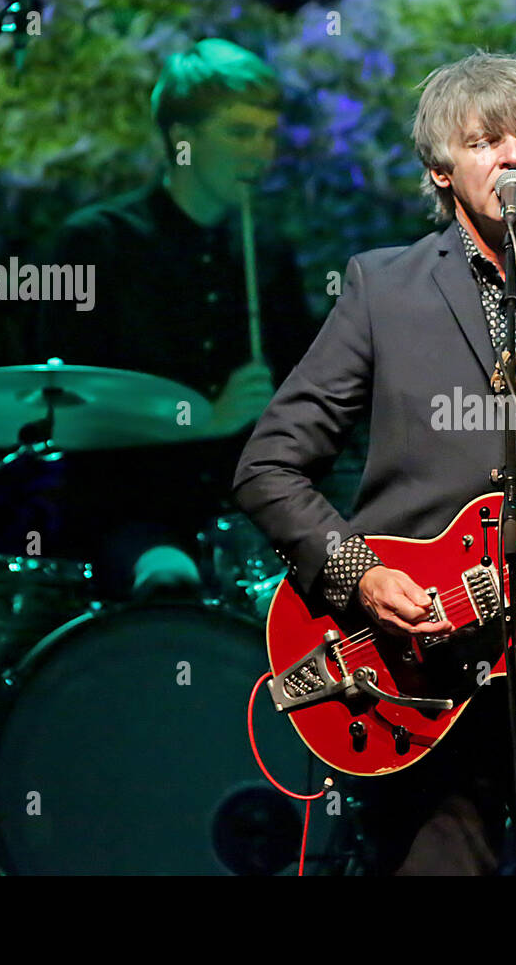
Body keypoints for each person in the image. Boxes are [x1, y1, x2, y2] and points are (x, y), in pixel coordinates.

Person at [233, 51, 516, 875]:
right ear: (441, 169)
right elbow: (269, 466)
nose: (513, 156)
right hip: (412, 680)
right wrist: (359, 576)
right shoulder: (382, 290)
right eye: (486, 141)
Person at [36, 38, 314, 598]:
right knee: (170, 581)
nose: (260, 152)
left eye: (267, 134)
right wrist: (200, 420)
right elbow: (68, 405)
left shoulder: (267, 253)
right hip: (130, 513)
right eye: (239, 133)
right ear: (180, 139)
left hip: (248, 517)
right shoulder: (99, 243)